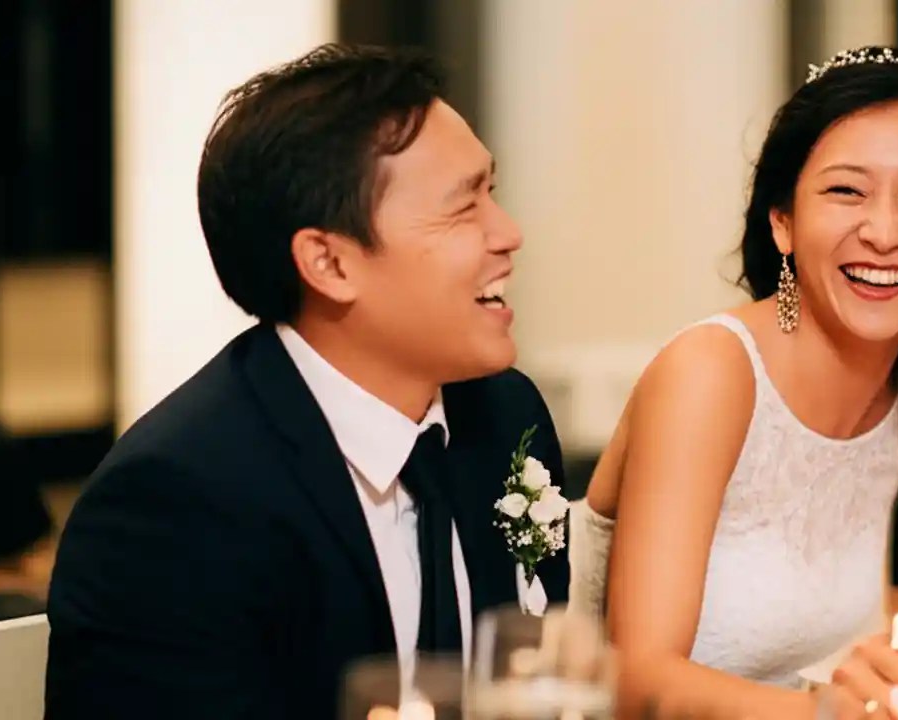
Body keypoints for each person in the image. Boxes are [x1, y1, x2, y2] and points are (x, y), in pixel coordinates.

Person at [44, 44, 569, 719]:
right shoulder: (177, 504)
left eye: (491, 192)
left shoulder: (504, 416)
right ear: (329, 263)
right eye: (463, 207)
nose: (508, 233)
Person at [571, 46, 898, 719]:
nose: (884, 232)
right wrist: (829, 713)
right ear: (783, 221)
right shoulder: (709, 375)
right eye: (847, 191)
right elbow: (637, 681)